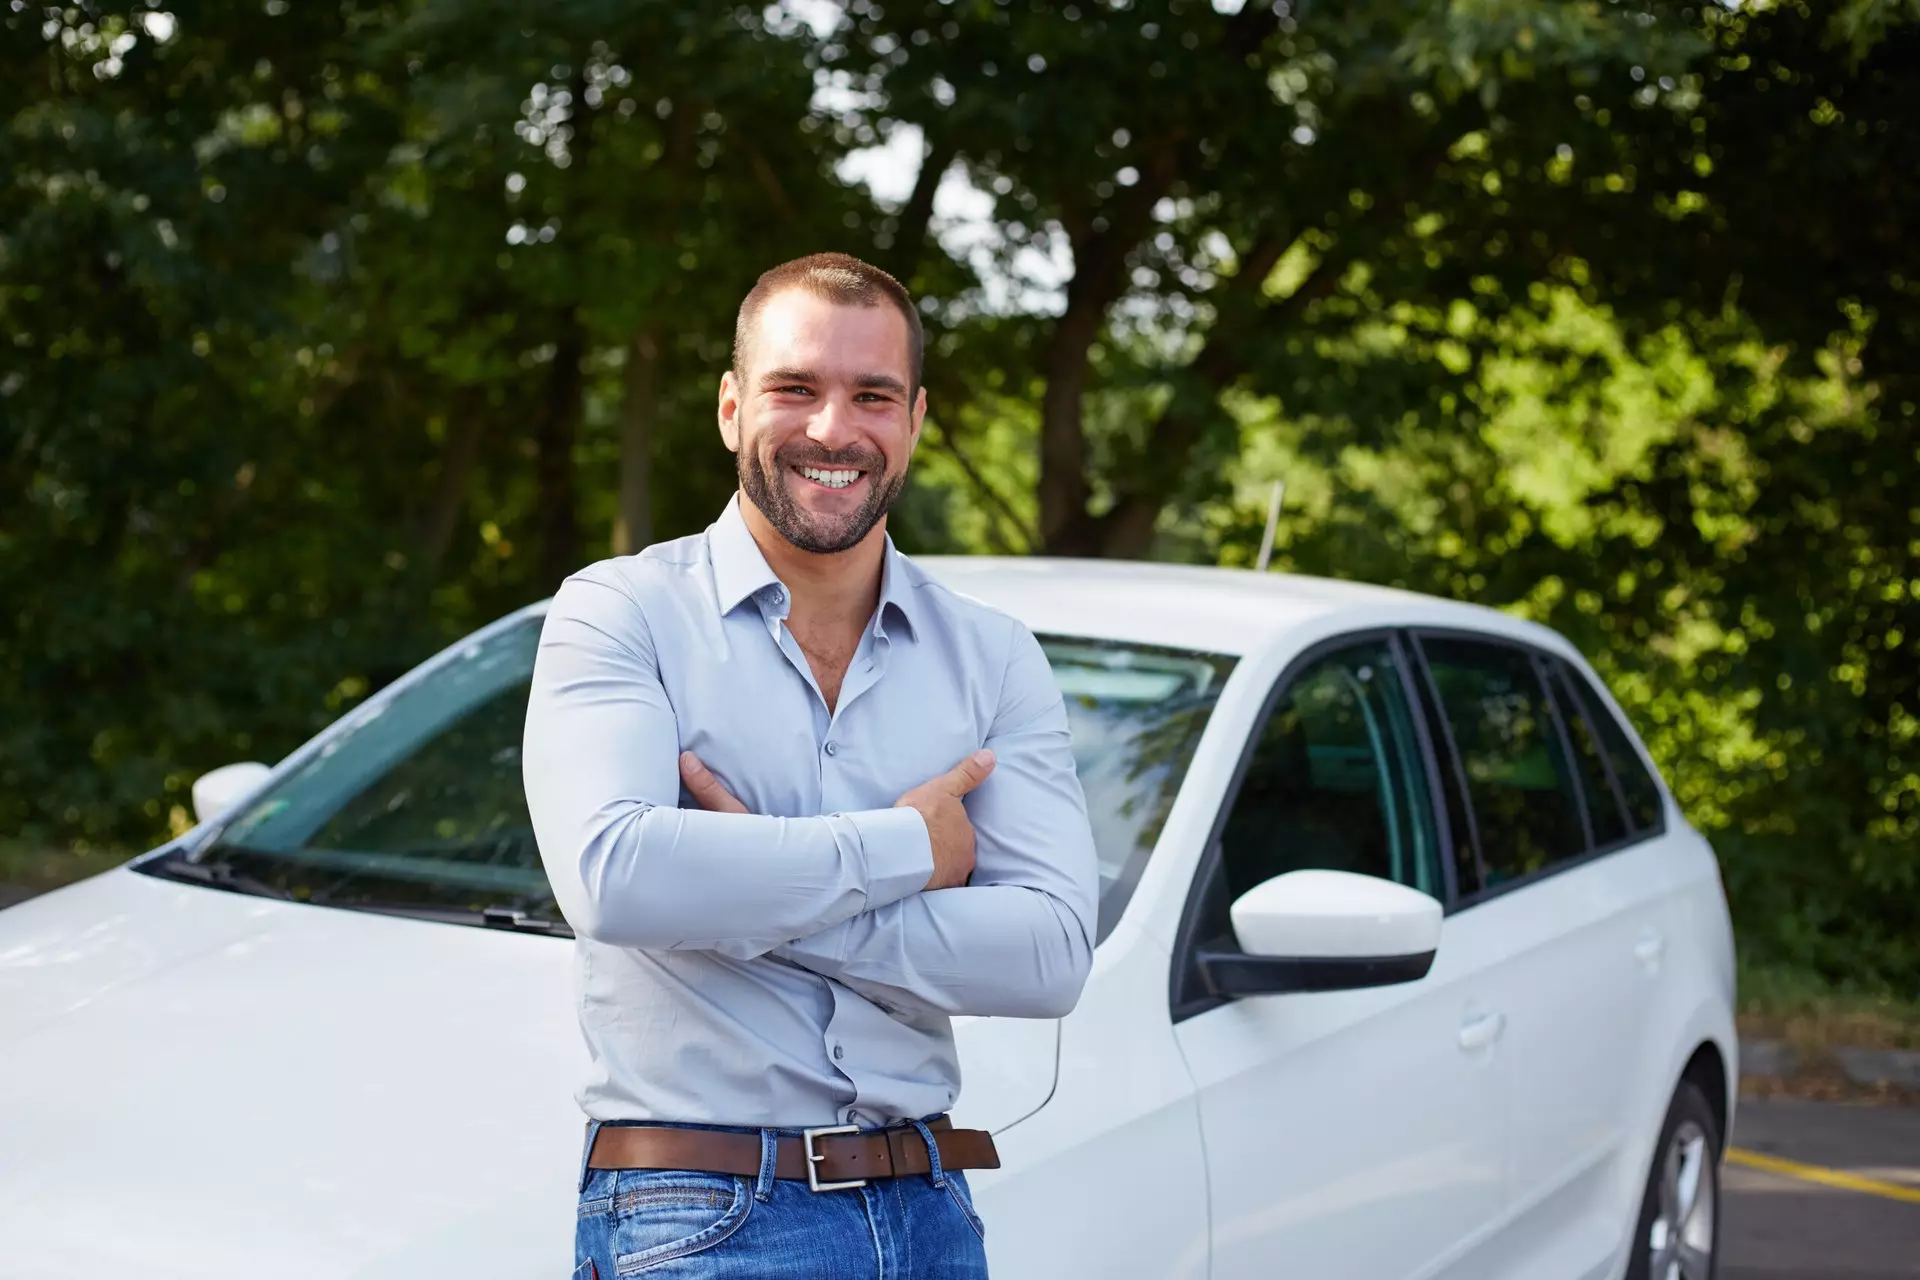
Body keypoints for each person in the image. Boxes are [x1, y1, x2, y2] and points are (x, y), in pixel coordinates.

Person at [522, 251, 1100, 1279]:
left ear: (915, 419)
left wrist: (747, 886)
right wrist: (907, 846)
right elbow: (614, 875)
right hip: (695, 1210)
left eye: (871, 395)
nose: (834, 428)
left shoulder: (995, 654)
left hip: (932, 1206)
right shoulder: (622, 612)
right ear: (732, 408)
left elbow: (1050, 952)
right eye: (797, 388)